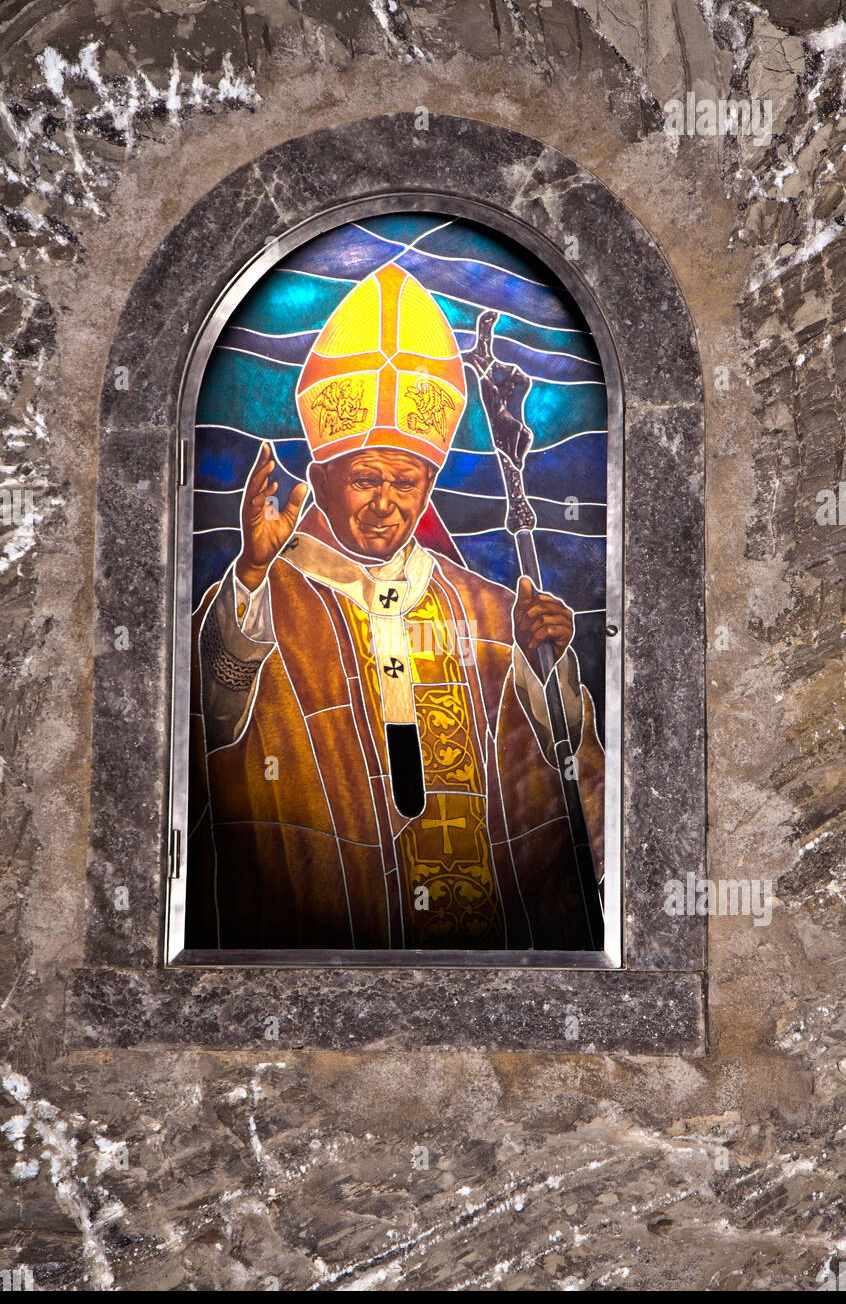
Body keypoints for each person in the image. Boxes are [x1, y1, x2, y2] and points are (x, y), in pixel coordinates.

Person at [188, 262, 604, 950]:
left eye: (405, 482)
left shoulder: (487, 608)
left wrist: (548, 666)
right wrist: (253, 572)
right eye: (365, 480)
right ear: (321, 478)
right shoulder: (265, 598)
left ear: (429, 483)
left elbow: (565, 774)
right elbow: (216, 712)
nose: (386, 504)